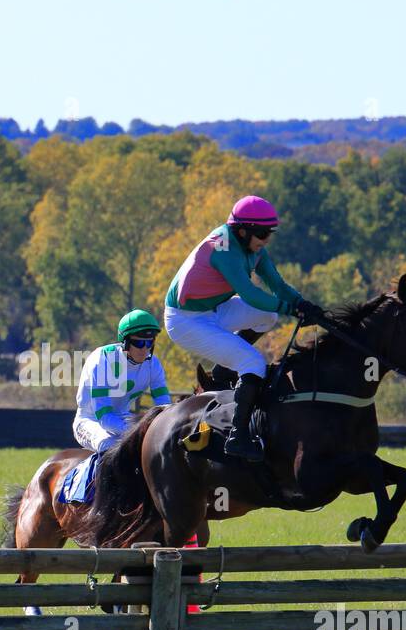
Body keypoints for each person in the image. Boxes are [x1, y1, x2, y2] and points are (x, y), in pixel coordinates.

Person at [163, 195, 325, 461]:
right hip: (185, 321)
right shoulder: (224, 247)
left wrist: (302, 303)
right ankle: (238, 437)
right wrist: (291, 309)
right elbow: (249, 293)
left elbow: (278, 286)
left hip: (212, 310)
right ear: (242, 230)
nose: (266, 240)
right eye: (262, 233)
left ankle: (224, 369)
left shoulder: (251, 246)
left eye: (269, 233)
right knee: (253, 361)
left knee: (268, 315)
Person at [73, 309, 172, 453]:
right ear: (125, 342)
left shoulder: (153, 364)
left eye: (149, 342)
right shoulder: (102, 360)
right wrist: (138, 431)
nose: (144, 348)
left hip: (124, 419)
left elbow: (165, 407)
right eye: (139, 343)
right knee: (111, 447)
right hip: (90, 421)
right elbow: (104, 417)